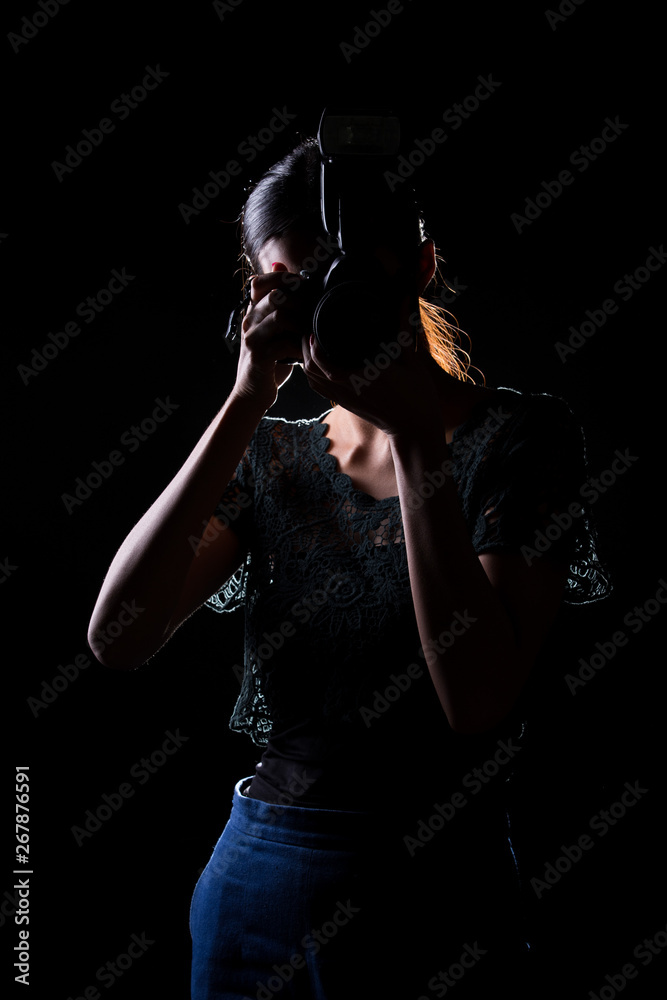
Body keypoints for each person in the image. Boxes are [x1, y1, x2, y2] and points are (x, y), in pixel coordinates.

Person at [88, 137, 610, 999]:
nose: (332, 308)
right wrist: (245, 395)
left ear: (421, 265)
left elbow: (475, 701)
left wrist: (412, 440)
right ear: (257, 292)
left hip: (431, 886)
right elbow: (117, 638)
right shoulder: (269, 459)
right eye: (297, 286)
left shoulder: (524, 442)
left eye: (348, 279)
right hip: (254, 874)